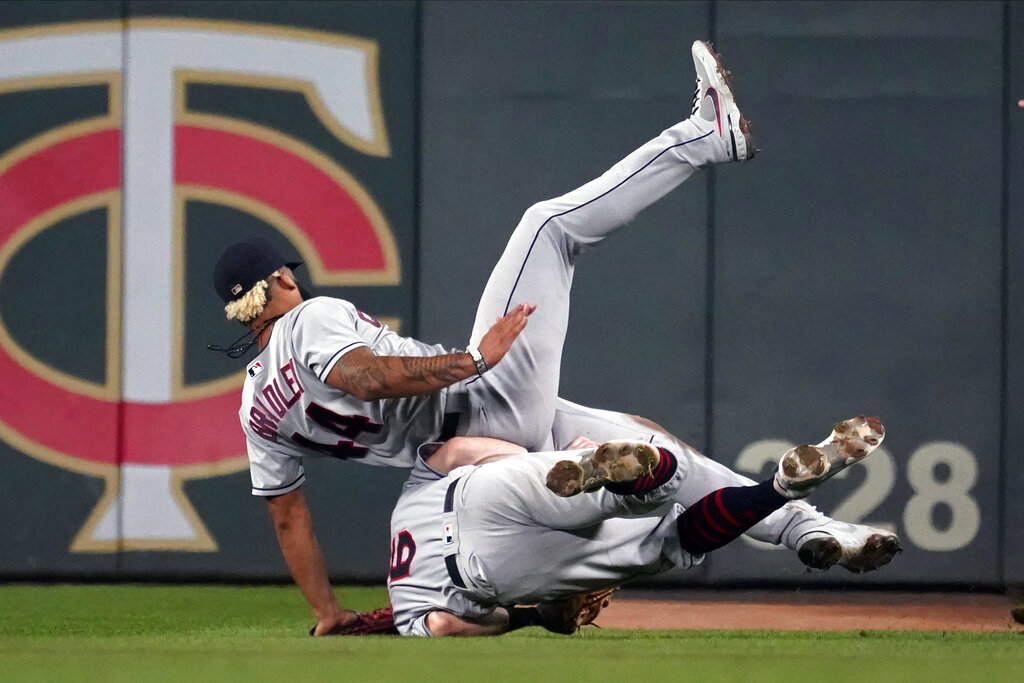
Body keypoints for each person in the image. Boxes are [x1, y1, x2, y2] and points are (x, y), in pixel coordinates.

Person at [210, 41, 899, 635]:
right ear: (277, 280)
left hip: (458, 462)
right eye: (286, 274)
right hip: (476, 407)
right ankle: (707, 134)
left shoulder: (254, 408)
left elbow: (288, 519)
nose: (293, 280)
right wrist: (474, 359)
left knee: (666, 456)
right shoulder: (306, 319)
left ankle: (811, 528)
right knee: (548, 228)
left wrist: (328, 611)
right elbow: (364, 376)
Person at [387, 416, 886, 636]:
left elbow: (442, 625)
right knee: (669, 481)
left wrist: (532, 618)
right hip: (476, 491)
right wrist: (538, 461)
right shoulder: (401, 515)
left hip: (484, 572)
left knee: (667, 545)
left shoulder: (410, 612)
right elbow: (455, 453)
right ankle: (607, 472)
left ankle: (777, 492)